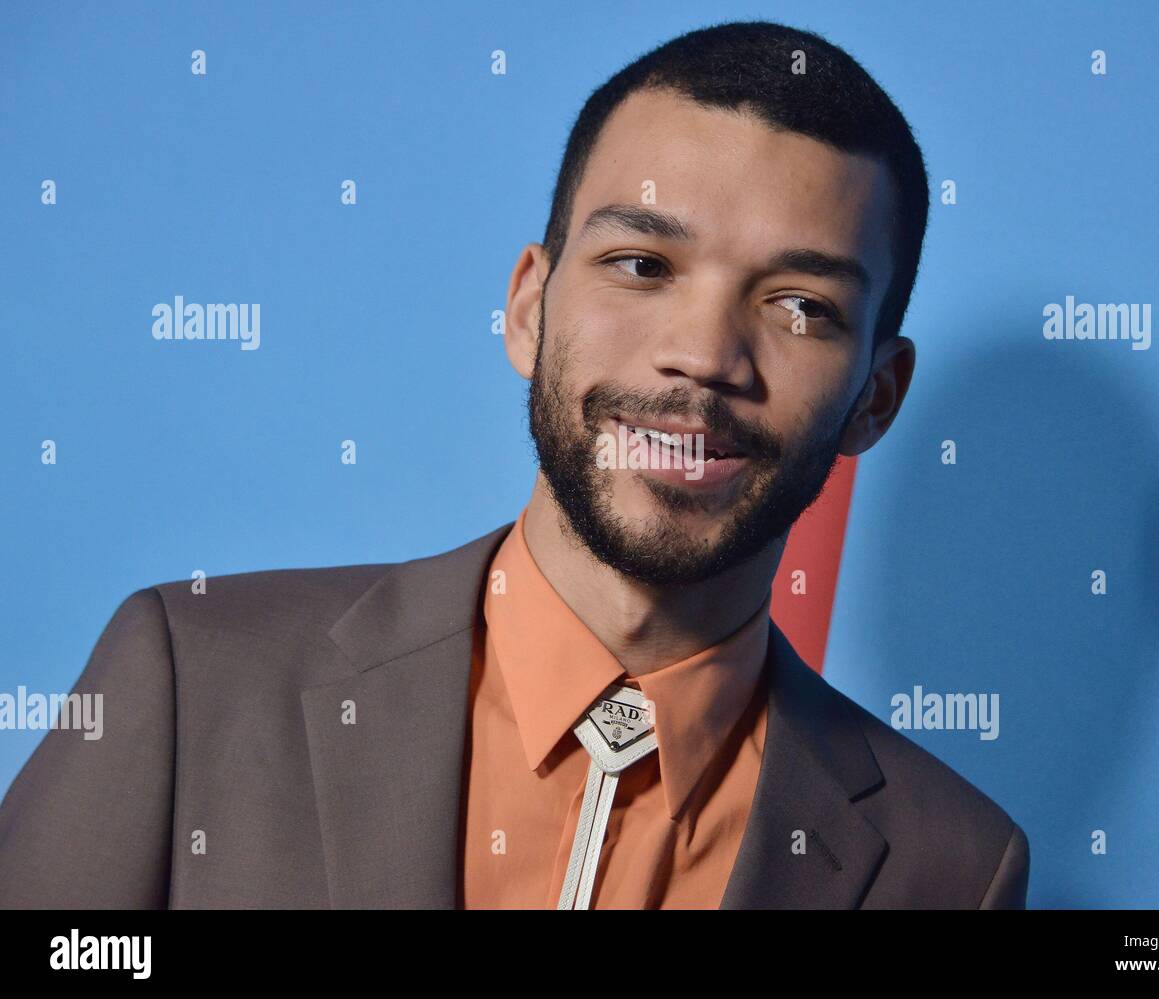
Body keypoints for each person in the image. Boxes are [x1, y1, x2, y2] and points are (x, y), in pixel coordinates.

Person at [0, 20, 1028, 909]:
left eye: (801, 307)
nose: (705, 357)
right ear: (529, 310)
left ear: (876, 398)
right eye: (641, 265)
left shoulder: (953, 864)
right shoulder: (195, 679)